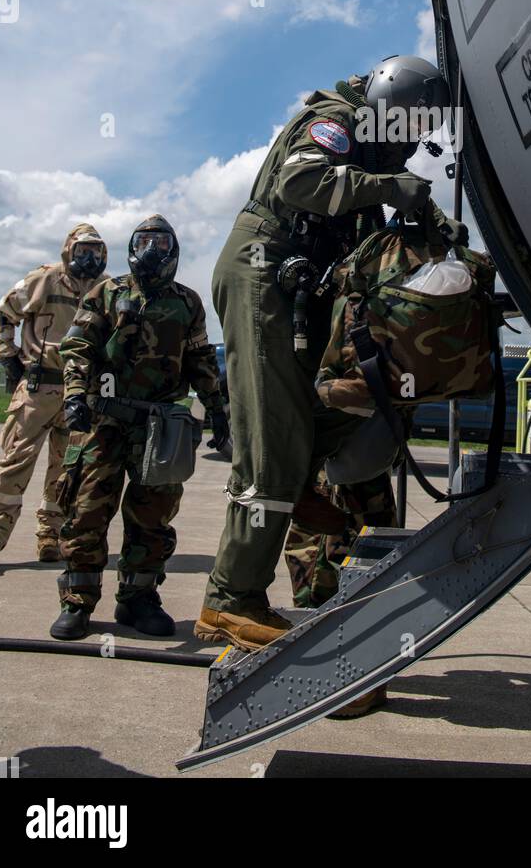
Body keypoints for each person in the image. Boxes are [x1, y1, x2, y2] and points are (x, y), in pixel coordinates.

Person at [196, 57, 465, 701]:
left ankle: (269, 570)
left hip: (302, 294)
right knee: (274, 442)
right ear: (384, 102)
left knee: (329, 419)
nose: (407, 146)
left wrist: (438, 230)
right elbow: (302, 185)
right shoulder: (332, 123)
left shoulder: (373, 159)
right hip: (263, 275)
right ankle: (231, 598)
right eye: (408, 126)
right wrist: (393, 188)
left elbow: (380, 231)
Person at [50, 215, 226, 640]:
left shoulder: (187, 302)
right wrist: (74, 396)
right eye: (145, 240)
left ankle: (138, 599)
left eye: (161, 243)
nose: (152, 250)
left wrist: (217, 409)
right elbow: (78, 349)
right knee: (87, 510)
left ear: (174, 251)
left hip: (159, 426)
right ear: (131, 245)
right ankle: (78, 601)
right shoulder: (106, 293)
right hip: (104, 422)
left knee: (153, 516)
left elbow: (201, 358)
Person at [0, 225, 108, 568]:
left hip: (80, 392)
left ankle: (51, 536)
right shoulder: (44, 280)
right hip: (38, 389)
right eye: (82, 251)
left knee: (68, 470)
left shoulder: (104, 288)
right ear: (69, 250)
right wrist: (7, 356)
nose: (89, 258)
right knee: (14, 462)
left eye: (96, 251)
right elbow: (4, 312)